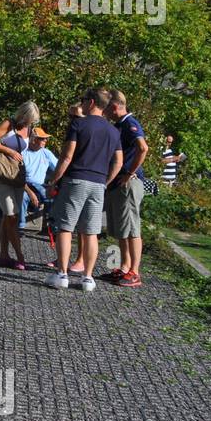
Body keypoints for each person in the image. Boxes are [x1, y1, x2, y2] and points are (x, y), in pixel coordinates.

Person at [45, 88, 123, 292]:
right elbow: (118, 162)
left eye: (83, 100)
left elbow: (67, 157)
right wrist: (106, 181)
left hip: (76, 180)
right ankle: (88, 277)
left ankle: (62, 274)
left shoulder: (78, 124)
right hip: (98, 184)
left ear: (91, 102)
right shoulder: (113, 131)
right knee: (91, 232)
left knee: (65, 227)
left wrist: (54, 180)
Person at [0, 101, 41, 270]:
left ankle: (3, 255)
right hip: (2, 176)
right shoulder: (9, 124)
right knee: (11, 215)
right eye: (30, 119)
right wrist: (8, 150)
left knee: (9, 218)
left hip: (15, 176)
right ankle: (20, 256)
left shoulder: (29, 130)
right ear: (23, 115)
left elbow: (26, 151)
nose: (31, 123)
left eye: (33, 121)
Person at [103, 90, 149, 287]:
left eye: (106, 108)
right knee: (122, 228)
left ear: (115, 106)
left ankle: (134, 272)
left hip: (128, 183)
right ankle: (124, 267)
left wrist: (130, 172)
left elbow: (143, 148)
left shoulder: (131, 123)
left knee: (131, 228)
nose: (105, 112)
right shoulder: (119, 125)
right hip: (118, 183)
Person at [18, 126, 58, 235]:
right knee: (22, 197)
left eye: (45, 138)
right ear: (34, 139)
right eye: (42, 138)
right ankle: (20, 227)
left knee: (54, 198)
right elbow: (18, 177)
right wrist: (31, 193)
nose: (45, 140)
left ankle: (54, 228)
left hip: (40, 186)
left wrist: (53, 184)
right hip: (25, 186)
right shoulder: (23, 153)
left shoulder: (46, 153)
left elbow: (59, 168)